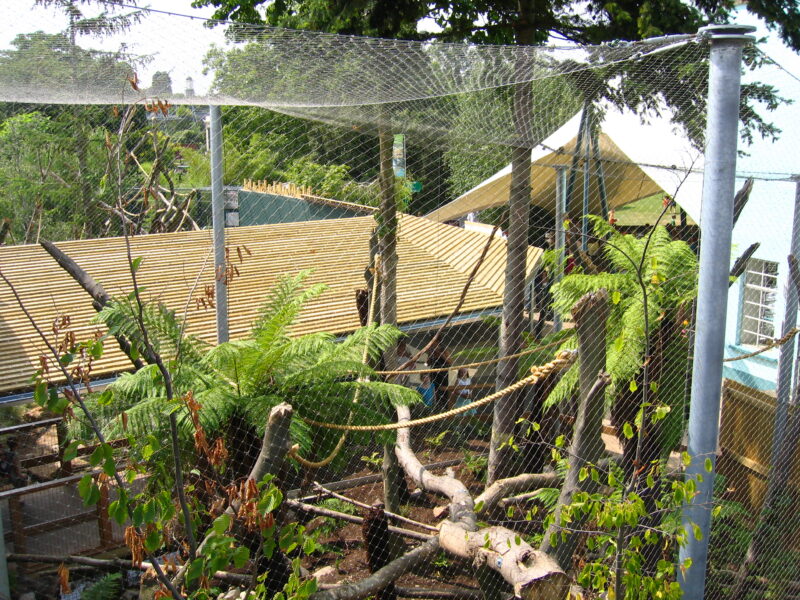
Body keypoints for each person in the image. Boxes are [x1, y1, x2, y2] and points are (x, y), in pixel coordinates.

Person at [426, 339, 451, 411]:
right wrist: (430, 355)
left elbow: (450, 362)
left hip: (443, 374)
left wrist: (441, 354)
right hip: (434, 374)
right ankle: (436, 408)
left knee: (444, 391)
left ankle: (445, 408)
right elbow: (426, 364)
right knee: (435, 391)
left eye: (434, 342)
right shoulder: (431, 351)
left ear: (438, 342)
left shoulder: (443, 350)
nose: (433, 344)